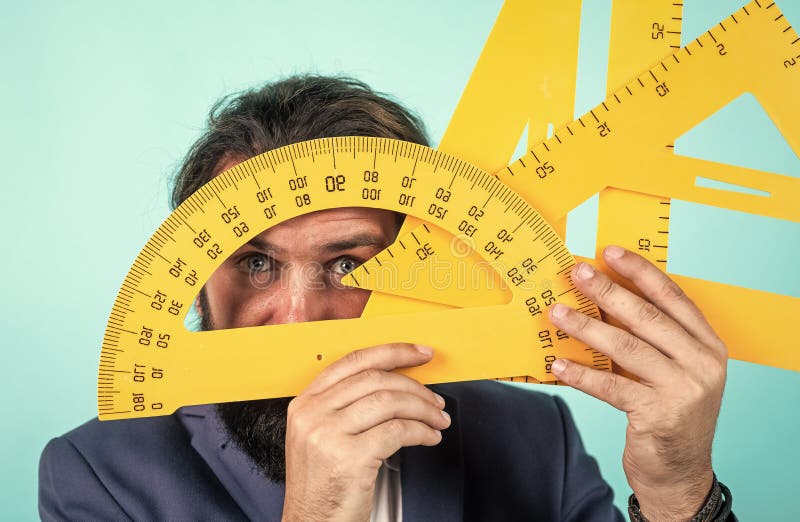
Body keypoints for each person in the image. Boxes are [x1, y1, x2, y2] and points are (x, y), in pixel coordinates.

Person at [39, 75, 735, 521]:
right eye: (255, 262)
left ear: (425, 270)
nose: (297, 317)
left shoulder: (534, 442)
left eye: (346, 263)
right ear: (193, 273)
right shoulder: (100, 477)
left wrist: (678, 493)